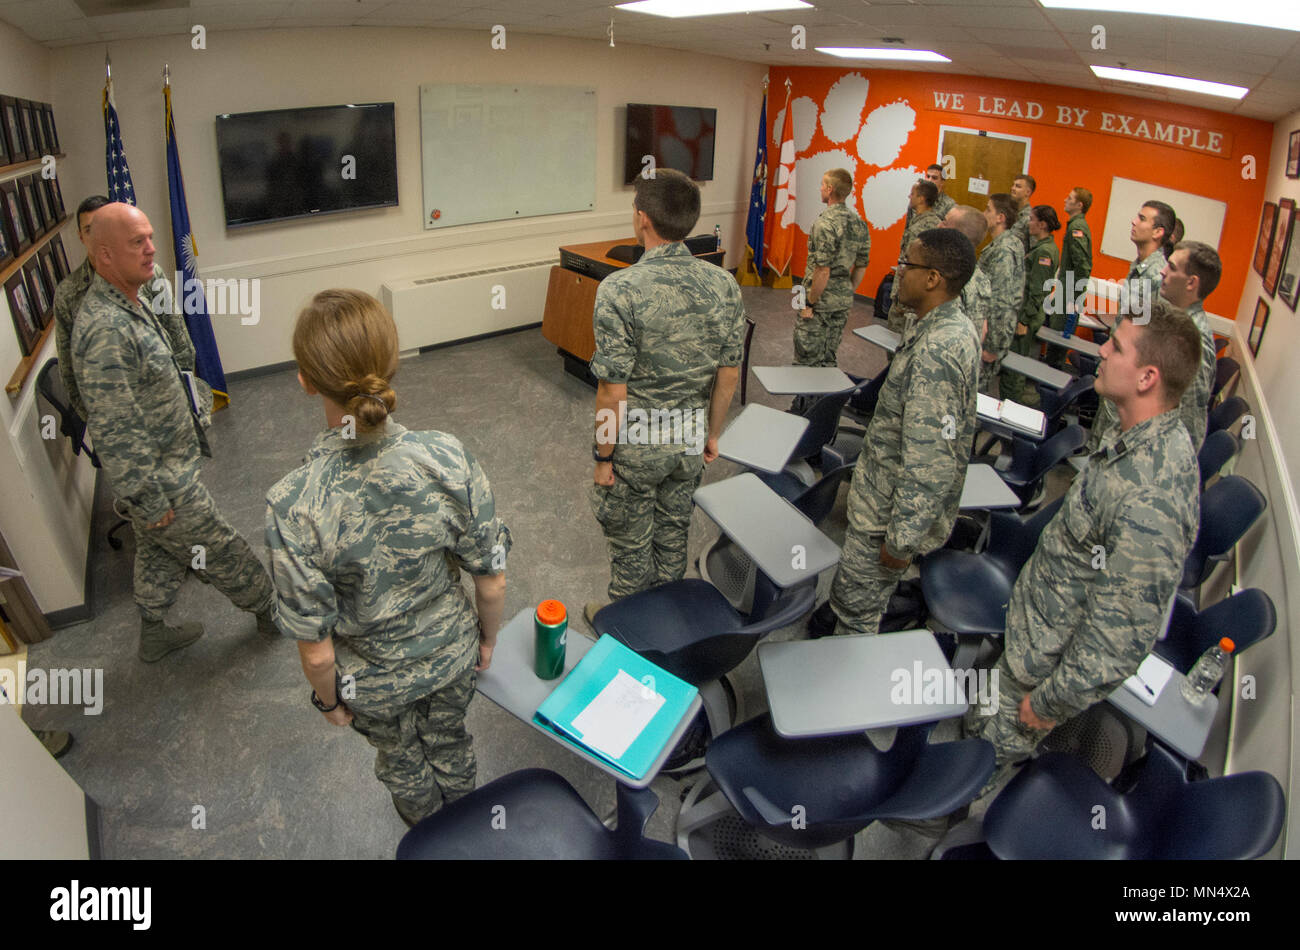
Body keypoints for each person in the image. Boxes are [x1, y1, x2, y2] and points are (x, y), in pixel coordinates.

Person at [265, 289, 510, 829]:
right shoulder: (446, 455)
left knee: (402, 763)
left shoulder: (293, 503)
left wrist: (330, 704)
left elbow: (319, 654)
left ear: (305, 379)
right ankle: (469, 831)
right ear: (390, 365)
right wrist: (487, 641)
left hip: (370, 683)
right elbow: (490, 580)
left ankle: (428, 834)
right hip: (452, 657)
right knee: (451, 742)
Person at [964, 299, 1202, 791]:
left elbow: (1121, 638)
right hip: (1033, 629)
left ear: (1146, 378)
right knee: (976, 724)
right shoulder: (1132, 431)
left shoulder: (1153, 495)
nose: (1101, 351)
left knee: (980, 759)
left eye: (1115, 347)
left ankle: (946, 816)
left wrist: (1049, 704)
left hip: (1040, 668)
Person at [71, 203, 273, 662]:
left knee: (158, 549)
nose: (151, 249)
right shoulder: (104, 330)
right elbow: (115, 428)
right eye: (136, 242)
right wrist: (150, 498)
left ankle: (154, 628)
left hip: (169, 460)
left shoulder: (131, 298)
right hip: (162, 479)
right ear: (103, 256)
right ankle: (271, 608)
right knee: (219, 546)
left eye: (149, 238)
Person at [586, 168, 744, 621]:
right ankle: (666, 622)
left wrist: (603, 456)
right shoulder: (724, 284)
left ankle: (626, 627)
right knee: (673, 531)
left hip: (636, 443)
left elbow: (611, 391)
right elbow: (727, 376)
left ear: (642, 219)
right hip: (691, 435)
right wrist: (713, 435)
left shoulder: (619, 289)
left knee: (631, 539)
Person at [826, 229, 980, 636]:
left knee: (855, 618)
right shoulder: (941, 326)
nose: (897, 271)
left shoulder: (938, 350)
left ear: (933, 279)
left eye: (907, 265)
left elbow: (931, 462)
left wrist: (899, 543)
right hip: (882, 498)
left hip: (884, 517)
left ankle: (846, 696)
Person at [53, 196, 207, 423]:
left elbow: (178, 338)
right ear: (81, 236)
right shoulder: (68, 294)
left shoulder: (151, 275)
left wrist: (183, 398)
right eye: (90, 229)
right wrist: (101, 423)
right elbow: (69, 373)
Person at [1086, 199, 1177, 452]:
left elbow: (1145, 334)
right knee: (1102, 426)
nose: (1134, 222)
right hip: (1117, 360)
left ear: (1158, 232)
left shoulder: (1156, 275)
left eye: (1142, 218)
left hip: (1130, 370)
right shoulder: (1139, 266)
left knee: (1113, 439)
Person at [794, 167, 871, 369]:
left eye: (822, 185)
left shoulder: (824, 224)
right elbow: (862, 265)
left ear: (829, 189)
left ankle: (805, 401)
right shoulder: (859, 224)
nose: (820, 189)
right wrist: (846, 291)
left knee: (806, 357)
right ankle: (824, 400)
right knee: (829, 356)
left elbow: (822, 270)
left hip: (816, 297)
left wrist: (809, 304)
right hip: (842, 300)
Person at [1160, 241, 1222, 451]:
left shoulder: (1192, 340)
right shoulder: (1179, 322)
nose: (1162, 271)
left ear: (1191, 283)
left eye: (1172, 267)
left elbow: (1189, 420)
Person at [1000, 204, 1061, 405]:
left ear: (1042, 224)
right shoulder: (1041, 247)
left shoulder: (1044, 252)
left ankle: (1009, 413)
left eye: (1032, 219)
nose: (1029, 223)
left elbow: (1039, 291)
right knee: (1014, 364)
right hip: (1025, 313)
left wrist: (1024, 321)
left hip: (1027, 316)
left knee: (1015, 368)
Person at [978, 193, 1025, 394]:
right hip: (991, 330)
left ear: (1001, 218)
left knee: (974, 391)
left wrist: (992, 345)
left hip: (990, 335)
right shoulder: (1009, 243)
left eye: (988, 209)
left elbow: (1001, 300)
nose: (984, 213)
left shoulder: (1004, 251)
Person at [886, 179, 943, 334]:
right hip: (923, 296)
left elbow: (909, 264)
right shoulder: (937, 223)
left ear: (921, 199)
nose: (909, 197)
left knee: (897, 339)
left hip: (908, 298)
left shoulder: (918, 228)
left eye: (912, 194)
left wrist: (900, 298)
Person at [1047, 186, 1093, 369]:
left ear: (1079, 205)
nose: (1065, 199)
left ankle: (1050, 384)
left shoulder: (1077, 227)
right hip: (1068, 287)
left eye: (1070, 197)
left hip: (1070, 291)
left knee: (1058, 336)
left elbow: (1082, 265)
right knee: (1055, 333)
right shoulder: (1074, 225)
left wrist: (1075, 297)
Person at [939, 204, 991, 346]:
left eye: (945, 222)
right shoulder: (982, 279)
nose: (939, 225)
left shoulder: (946, 275)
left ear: (958, 235)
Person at [1009, 174, 1036, 251]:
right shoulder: (1011, 212)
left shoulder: (1030, 218)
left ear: (1028, 192)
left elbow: (1033, 250)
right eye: (1013, 185)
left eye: (1018, 186)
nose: (1012, 188)